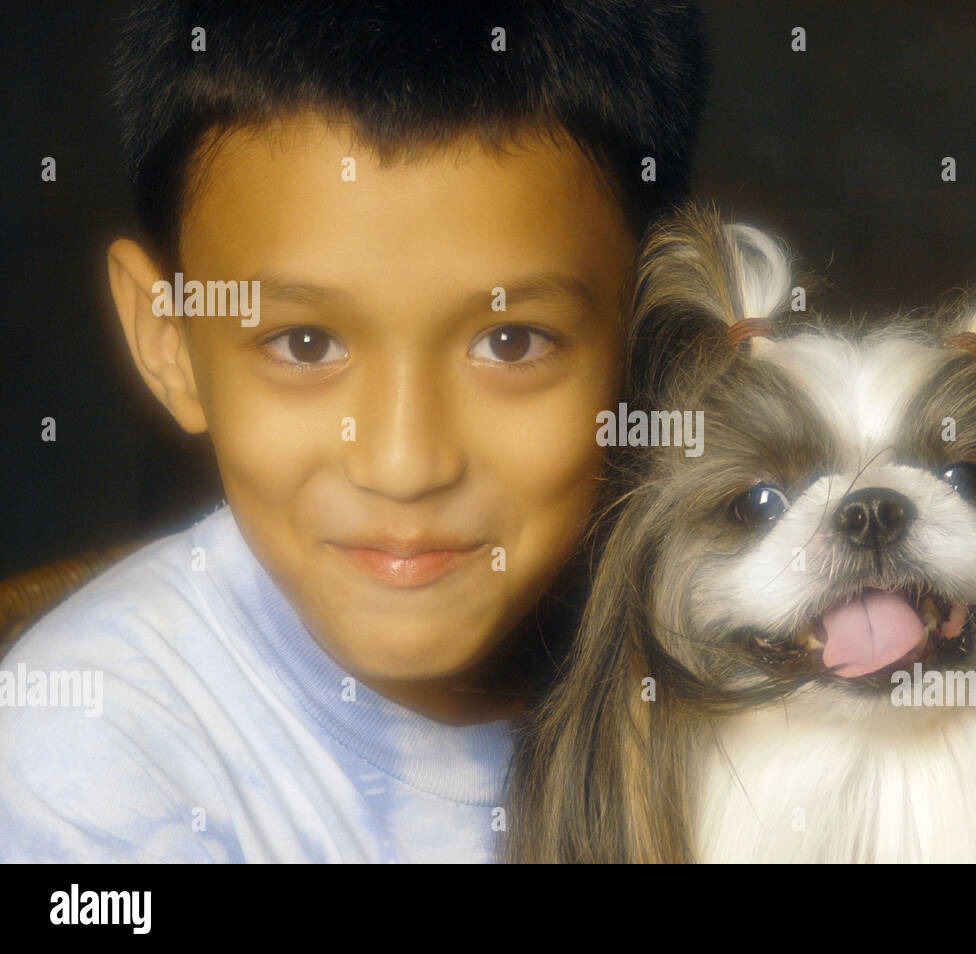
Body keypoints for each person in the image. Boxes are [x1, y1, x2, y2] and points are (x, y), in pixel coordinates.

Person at [0, 0, 710, 862]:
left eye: (509, 342)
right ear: (171, 345)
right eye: (304, 345)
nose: (404, 465)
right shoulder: (86, 757)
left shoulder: (753, 646)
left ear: (653, 330)